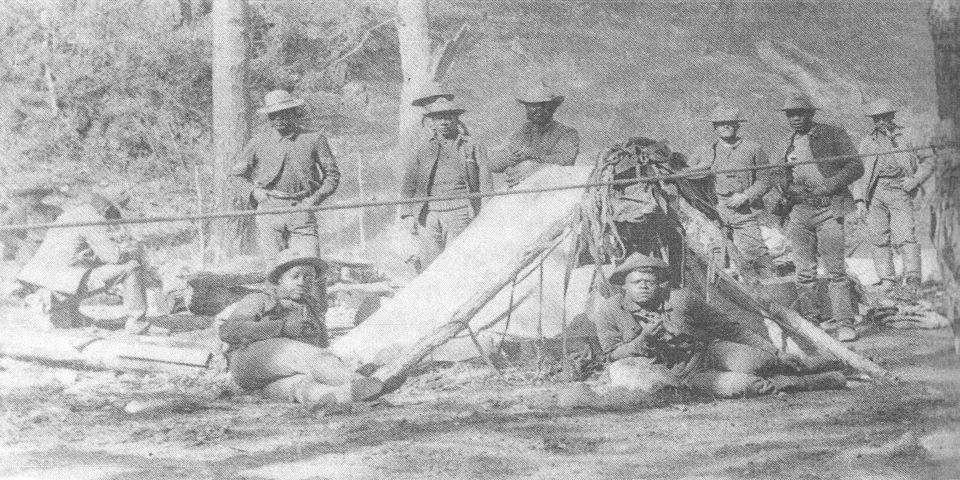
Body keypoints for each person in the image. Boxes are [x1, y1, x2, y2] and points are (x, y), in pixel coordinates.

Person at [593, 253, 846, 398]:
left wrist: (776, 352)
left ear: (660, 284)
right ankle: (822, 380)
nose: (644, 286)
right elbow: (610, 354)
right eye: (637, 282)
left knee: (759, 363)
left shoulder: (681, 299)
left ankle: (825, 362)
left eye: (650, 281)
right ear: (624, 285)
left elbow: (729, 328)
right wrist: (642, 342)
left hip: (709, 352)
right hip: (683, 375)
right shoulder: (610, 310)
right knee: (746, 385)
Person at [219, 249, 383, 409]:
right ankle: (357, 380)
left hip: (271, 379)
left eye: (308, 278)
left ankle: (337, 396)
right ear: (279, 279)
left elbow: (321, 347)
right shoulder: (260, 299)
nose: (302, 282)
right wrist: (282, 327)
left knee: (301, 385)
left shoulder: (309, 308)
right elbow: (229, 331)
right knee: (296, 352)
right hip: (248, 363)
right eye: (295, 276)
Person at [771, 95, 864, 342]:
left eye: (800, 113)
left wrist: (829, 185)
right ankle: (812, 322)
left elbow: (856, 166)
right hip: (799, 212)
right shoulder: (786, 143)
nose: (795, 118)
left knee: (835, 270)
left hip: (828, 210)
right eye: (790, 114)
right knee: (804, 272)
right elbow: (776, 177)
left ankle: (845, 323)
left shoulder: (833, 134)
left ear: (811, 114)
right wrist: (785, 178)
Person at [231, 90, 340, 260]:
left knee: (308, 266)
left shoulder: (314, 139)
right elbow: (236, 177)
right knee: (274, 269)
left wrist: (313, 200)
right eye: (273, 115)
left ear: (294, 113)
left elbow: (332, 176)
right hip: (269, 212)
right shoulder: (258, 142)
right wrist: (254, 193)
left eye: (284, 113)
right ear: (268, 117)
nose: (279, 119)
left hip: (302, 211)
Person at [16, 193, 149, 333]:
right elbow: (112, 256)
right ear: (106, 209)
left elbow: (78, 252)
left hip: (40, 278)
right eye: (114, 212)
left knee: (85, 267)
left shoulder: (73, 214)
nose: (114, 217)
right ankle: (137, 322)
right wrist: (131, 249)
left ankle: (65, 309)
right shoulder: (93, 219)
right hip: (61, 282)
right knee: (132, 267)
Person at [852, 98, 933, 300]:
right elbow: (861, 173)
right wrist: (860, 200)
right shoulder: (868, 141)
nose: (881, 122)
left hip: (900, 190)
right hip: (876, 193)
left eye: (884, 117)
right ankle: (887, 281)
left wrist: (915, 179)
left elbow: (929, 160)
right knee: (878, 237)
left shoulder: (909, 135)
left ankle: (912, 279)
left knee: (905, 235)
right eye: (876, 119)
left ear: (892, 116)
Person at [399, 97, 492, 270]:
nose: (444, 122)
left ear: (456, 119)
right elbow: (408, 184)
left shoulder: (472, 146)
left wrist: (485, 214)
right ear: (432, 121)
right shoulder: (422, 148)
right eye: (438, 118)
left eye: (448, 117)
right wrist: (407, 214)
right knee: (430, 267)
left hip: (460, 212)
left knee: (456, 264)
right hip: (428, 215)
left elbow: (486, 183)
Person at [687, 106, 775, 278]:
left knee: (756, 253)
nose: (725, 127)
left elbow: (766, 179)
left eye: (729, 123)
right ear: (715, 128)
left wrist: (746, 196)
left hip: (744, 212)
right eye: (720, 124)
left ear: (737, 126)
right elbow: (689, 178)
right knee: (716, 259)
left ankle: (769, 291)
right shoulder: (705, 151)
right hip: (714, 211)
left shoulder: (753, 149)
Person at [489, 81, 580, 187]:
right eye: (533, 105)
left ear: (554, 107)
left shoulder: (566, 133)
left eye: (544, 105)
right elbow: (493, 163)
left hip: (552, 188)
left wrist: (534, 158)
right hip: (521, 189)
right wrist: (509, 159)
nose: (538, 109)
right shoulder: (520, 133)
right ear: (526, 108)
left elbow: (566, 160)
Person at [0, 184, 63, 263]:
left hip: (51, 245)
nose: (33, 197)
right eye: (29, 194)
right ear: (24, 197)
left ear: (41, 196)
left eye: (37, 194)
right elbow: (1, 231)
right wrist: (19, 243)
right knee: (29, 261)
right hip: (27, 246)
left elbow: (67, 226)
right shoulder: (14, 212)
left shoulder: (54, 210)